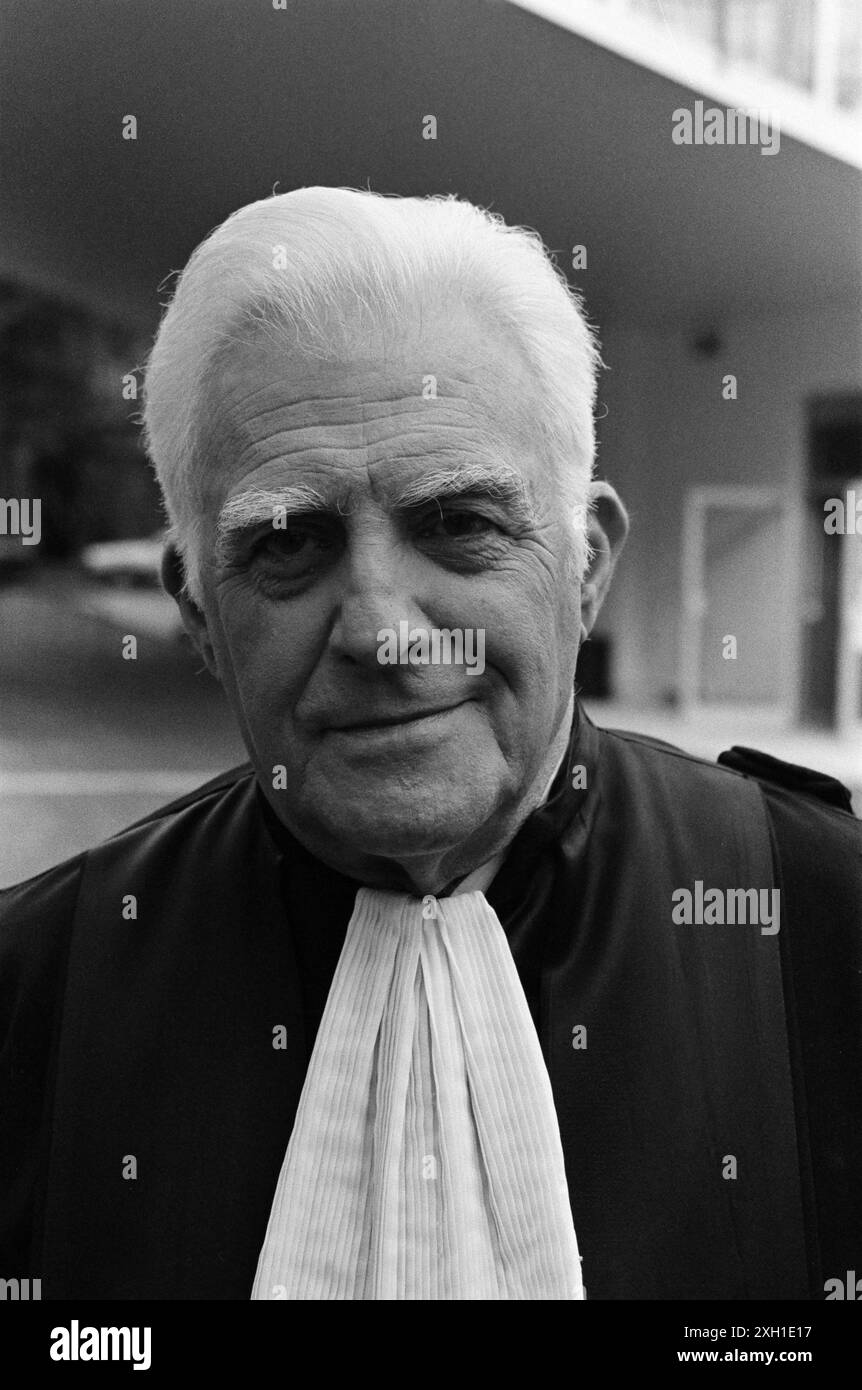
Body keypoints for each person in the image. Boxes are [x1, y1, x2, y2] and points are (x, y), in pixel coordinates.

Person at [1, 187, 859, 1300]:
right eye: (287, 540)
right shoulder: (36, 998)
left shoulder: (828, 925)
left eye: (458, 522)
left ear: (587, 563)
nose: (380, 631)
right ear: (201, 614)